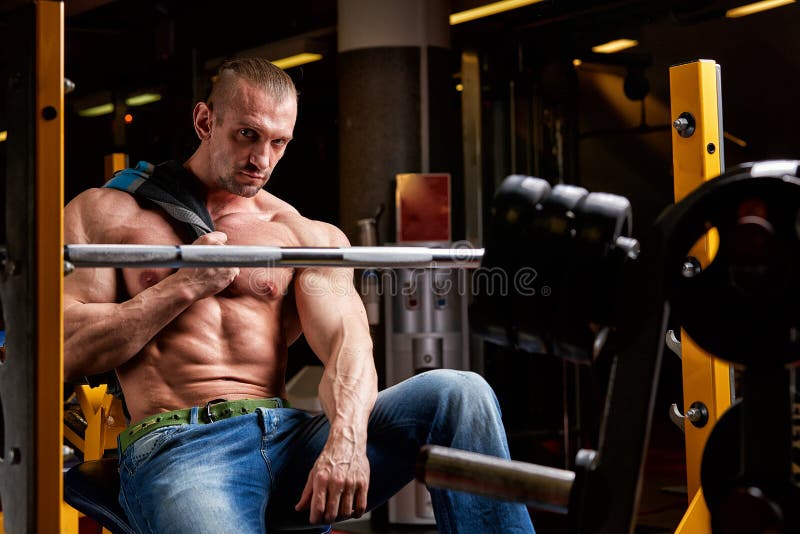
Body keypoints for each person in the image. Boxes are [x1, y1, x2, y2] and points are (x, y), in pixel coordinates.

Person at [63, 57, 535, 534]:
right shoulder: (109, 217)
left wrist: (347, 441)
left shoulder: (299, 235)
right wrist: (183, 285)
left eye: (278, 142)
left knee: (461, 394)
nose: (261, 160)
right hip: (180, 443)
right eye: (247, 134)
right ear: (206, 121)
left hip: (287, 436)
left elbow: (347, 344)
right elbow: (64, 350)